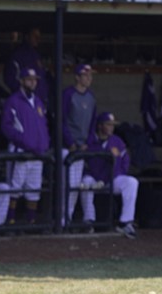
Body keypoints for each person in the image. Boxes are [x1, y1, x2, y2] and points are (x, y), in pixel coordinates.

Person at [1, 68, 50, 226]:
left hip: (38, 153)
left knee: (34, 188)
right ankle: (11, 220)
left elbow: (43, 125)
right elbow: (6, 127)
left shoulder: (38, 101)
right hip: (20, 152)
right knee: (15, 187)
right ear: (21, 81)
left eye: (35, 79)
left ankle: (31, 221)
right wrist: (25, 141)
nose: (33, 82)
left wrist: (44, 143)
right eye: (29, 79)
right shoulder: (13, 101)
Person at [80, 112, 139, 239]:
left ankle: (126, 222)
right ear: (100, 126)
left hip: (112, 179)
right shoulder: (90, 141)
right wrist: (97, 177)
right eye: (108, 124)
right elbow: (85, 164)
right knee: (86, 182)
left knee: (131, 182)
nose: (111, 127)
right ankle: (89, 221)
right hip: (94, 179)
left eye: (113, 125)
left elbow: (125, 161)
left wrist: (117, 174)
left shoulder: (117, 141)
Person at [60, 64, 97, 227]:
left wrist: (87, 144)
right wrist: (71, 142)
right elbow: (61, 121)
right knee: (67, 185)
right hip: (67, 149)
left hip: (81, 149)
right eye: (85, 75)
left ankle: (69, 218)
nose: (89, 78)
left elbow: (93, 123)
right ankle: (63, 219)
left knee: (77, 185)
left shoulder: (91, 97)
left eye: (90, 75)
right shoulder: (68, 94)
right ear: (77, 76)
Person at [3, 27, 48, 110]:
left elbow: (42, 79)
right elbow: (9, 79)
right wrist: (24, 94)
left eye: (39, 36)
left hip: (39, 101)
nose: (38, 39)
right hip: (23, 102)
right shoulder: (17, 54)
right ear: (27, 37)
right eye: (35, 36)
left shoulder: (36, 54)